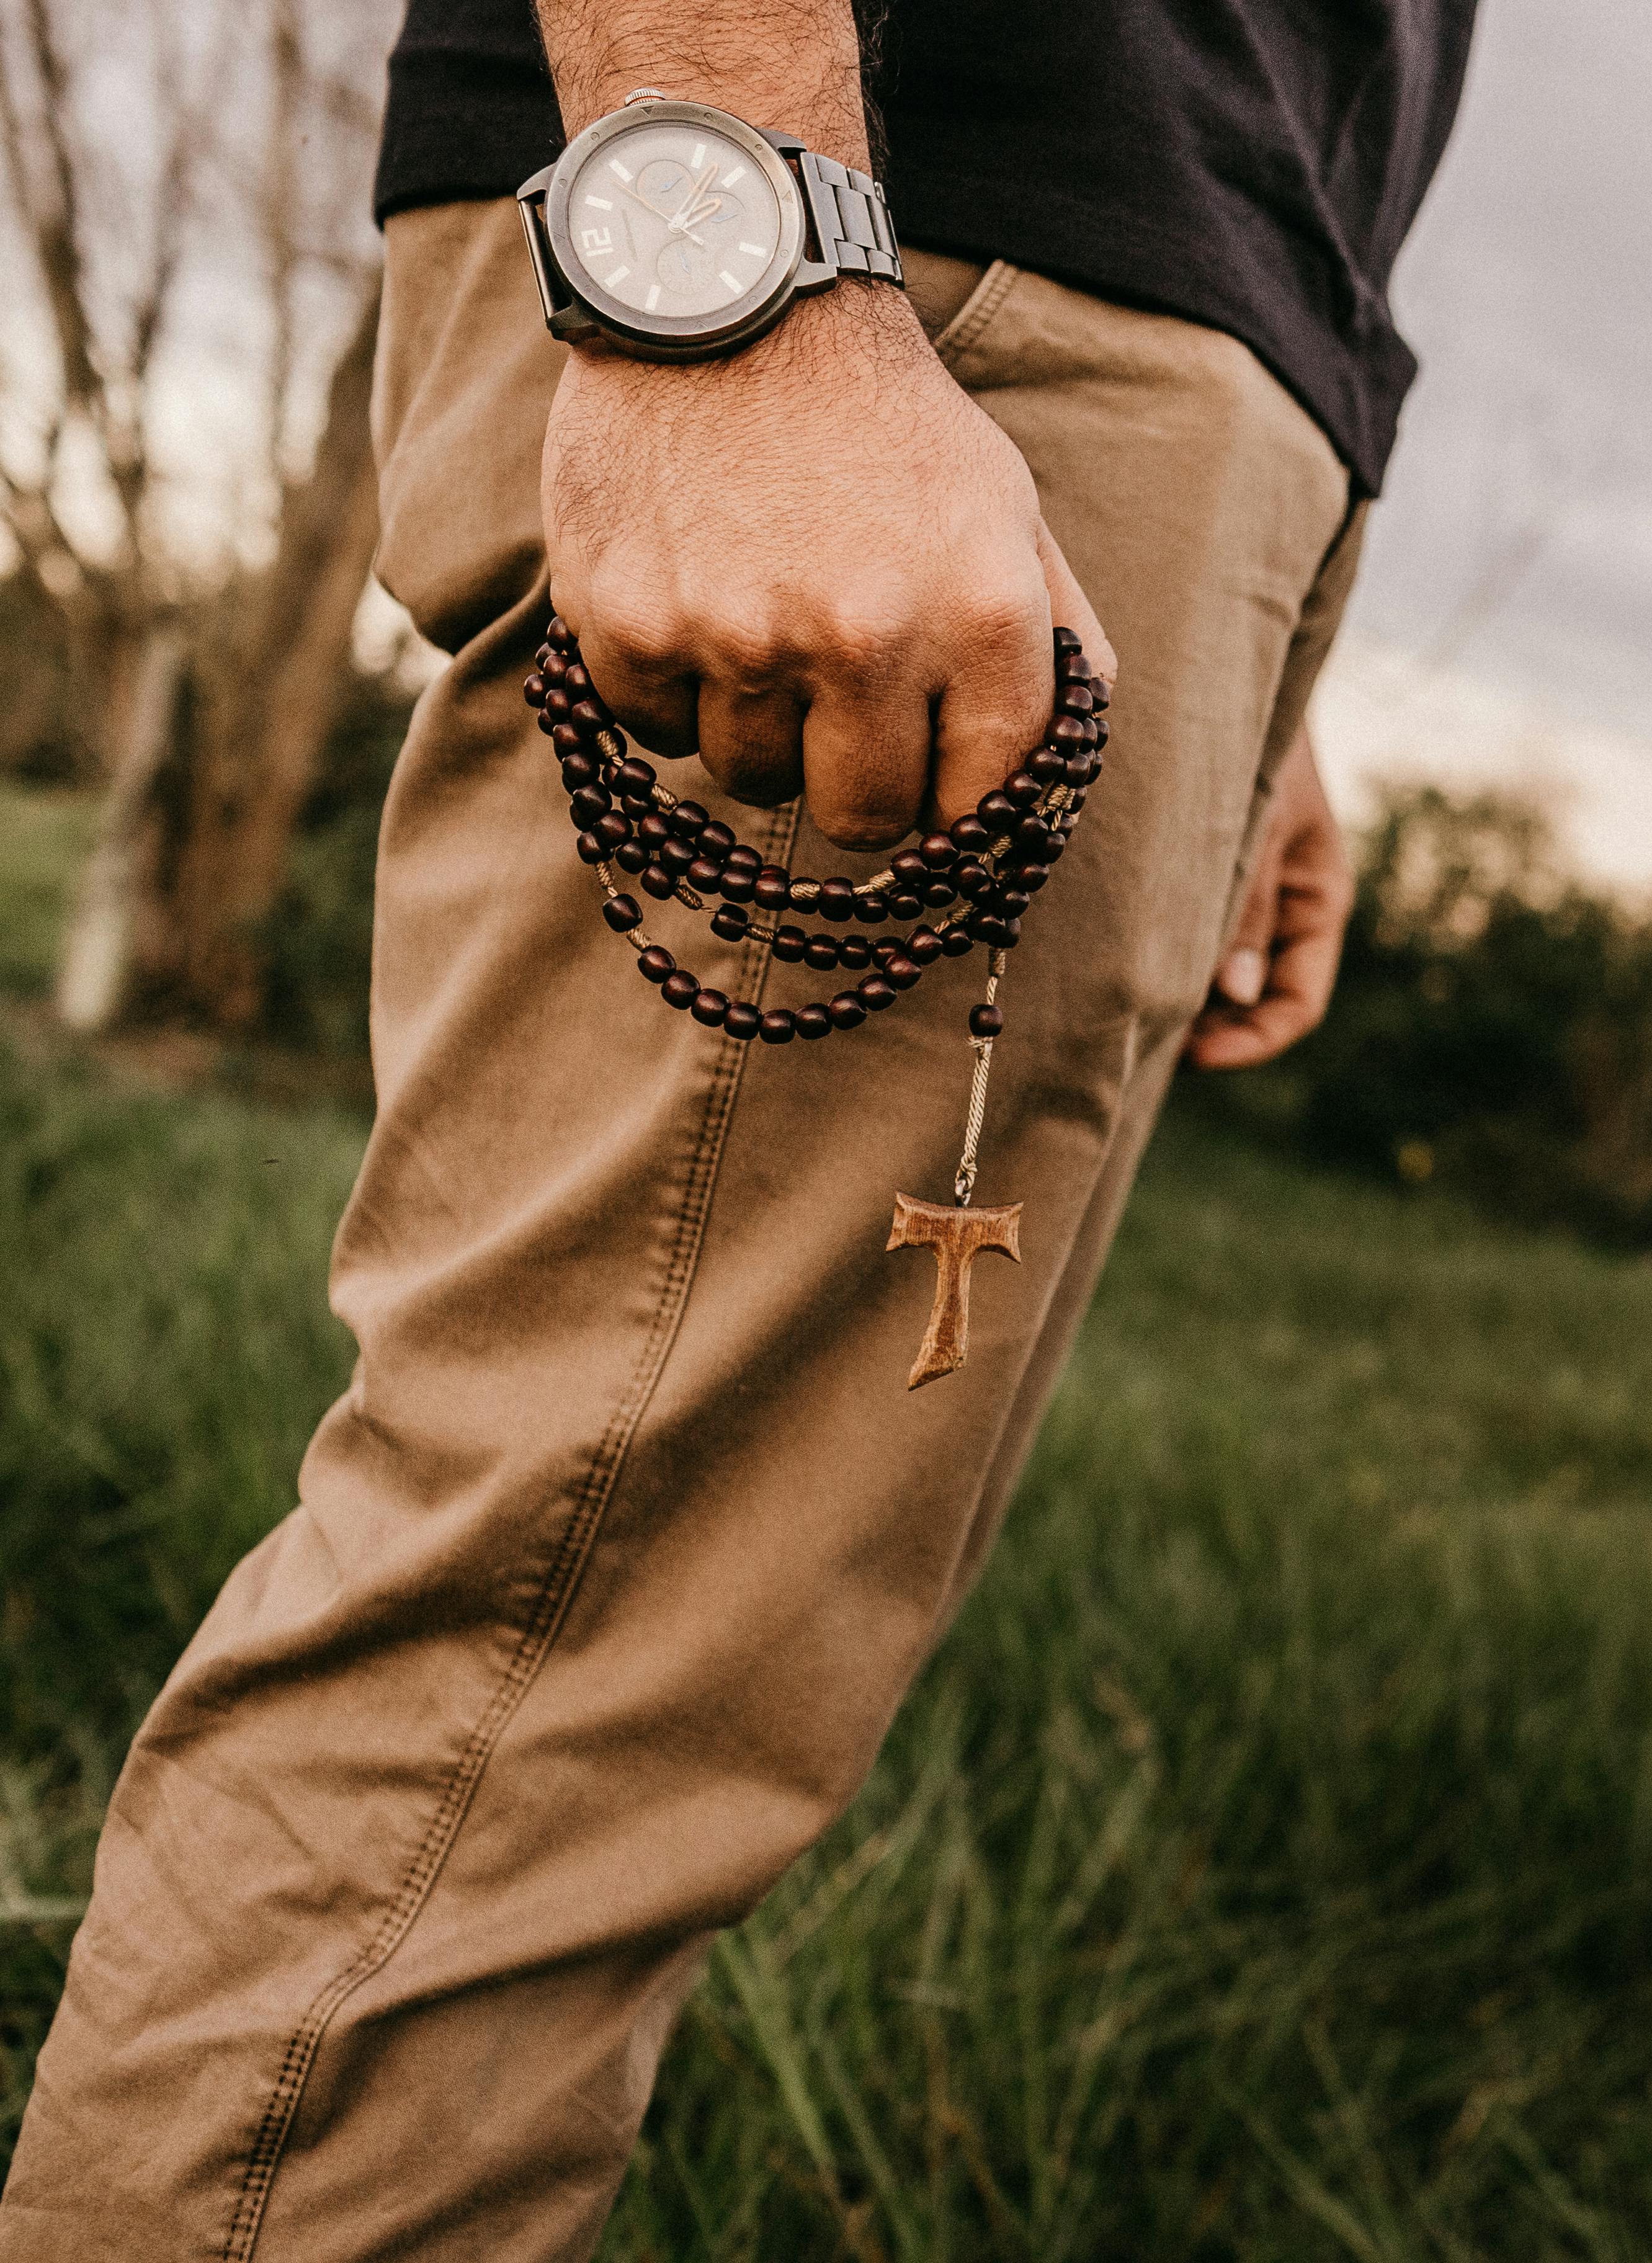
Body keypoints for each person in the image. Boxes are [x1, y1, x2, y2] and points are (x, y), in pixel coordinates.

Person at [0, 1, 1476, 2252]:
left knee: (679, 1689)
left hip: (1162, 307)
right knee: (531, 1720)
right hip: (908, 230)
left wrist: (1269, 633)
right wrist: (739, 252)